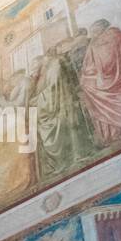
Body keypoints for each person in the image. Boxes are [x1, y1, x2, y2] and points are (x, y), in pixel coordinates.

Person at [31, 47, 96, 181]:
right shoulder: (51, 68)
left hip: (61, 108)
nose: (35, 70)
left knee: (62, 130)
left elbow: (54, 90)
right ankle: (69, 159)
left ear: (44, 59)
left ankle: (67, 160)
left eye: (36, 66)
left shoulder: (54, 66)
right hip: (61, 107)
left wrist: (37, 100)